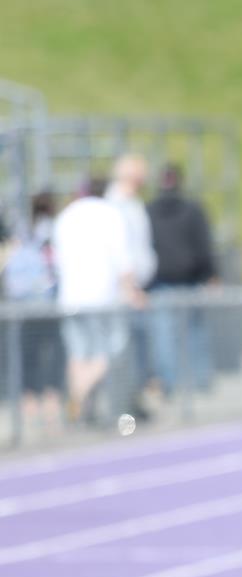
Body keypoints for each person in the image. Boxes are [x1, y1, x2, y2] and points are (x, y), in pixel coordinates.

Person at [52, 178, 145, 423]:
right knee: (110, 352)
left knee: (78, 354)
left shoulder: (66, 216)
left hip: (71, 297)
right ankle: (78, 398)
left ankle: (79, 409)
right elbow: (123, 260)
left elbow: (58, 261)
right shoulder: (110, 214)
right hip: (103, 297)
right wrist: (132, 290)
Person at [147, 163, 219, 394]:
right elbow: (204, 244)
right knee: (194, 334)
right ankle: (200, 382)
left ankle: (171, 384)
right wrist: (210, 274)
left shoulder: (149, 211)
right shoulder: (192, 209)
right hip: (189, 280)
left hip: (162, 282)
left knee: (165, 338)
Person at [3, 192, 66, 434]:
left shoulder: (24, 235)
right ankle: (46, 410)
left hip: (28, 306)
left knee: (33, 358)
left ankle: (36, 410)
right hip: (41, 305)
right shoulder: (41, 234)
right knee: (45, 358)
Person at [106, 155, 158, 411]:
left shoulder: (133, 203)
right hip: (123, 291)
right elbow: (119, 252)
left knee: (137, 350)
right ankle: (120, 407)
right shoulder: (115, 205)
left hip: (137, 286)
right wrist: (131, 289)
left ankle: (133, 402)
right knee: (119, 350)